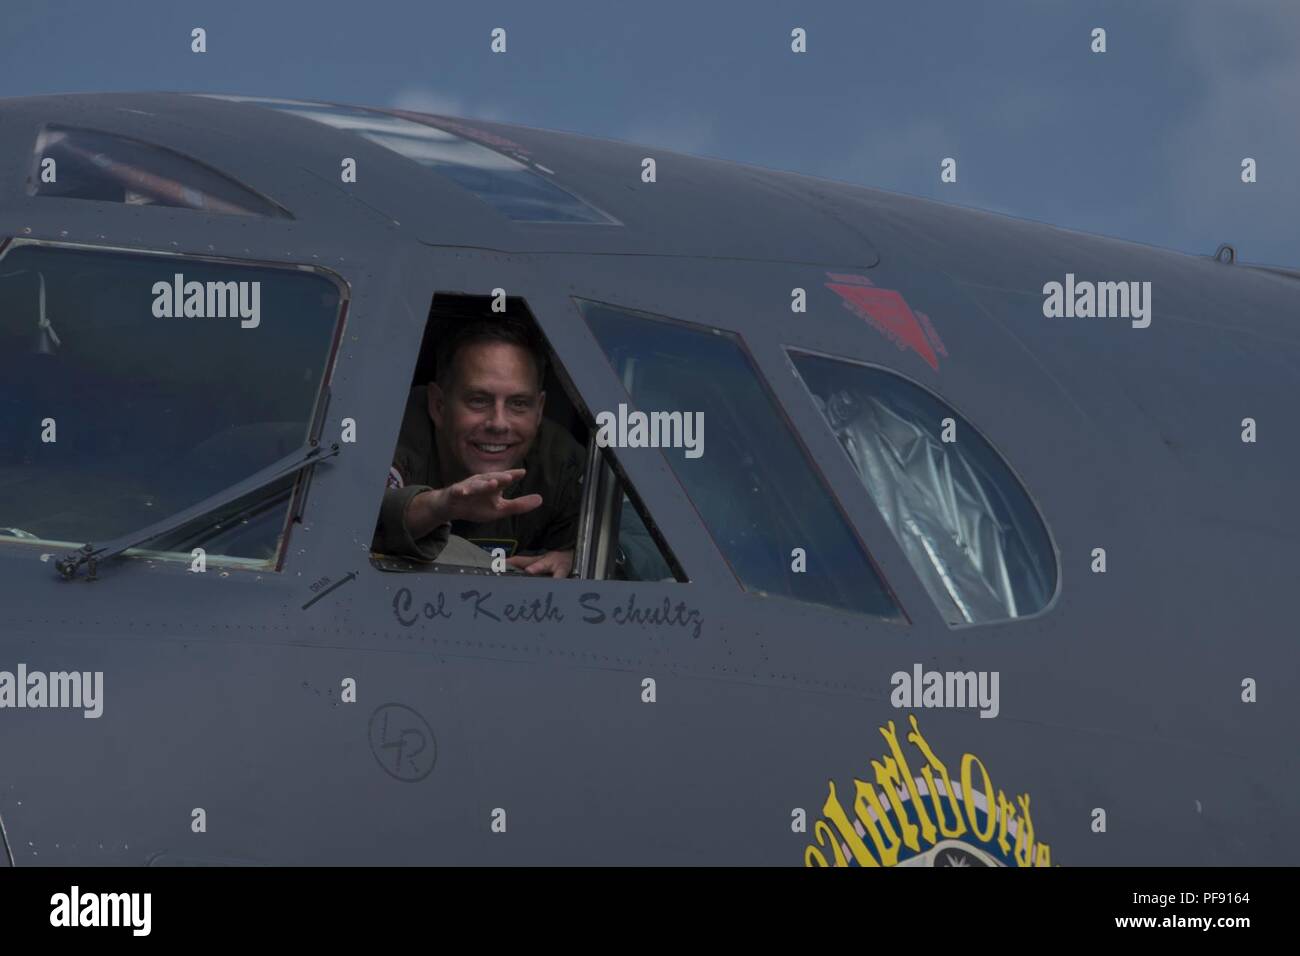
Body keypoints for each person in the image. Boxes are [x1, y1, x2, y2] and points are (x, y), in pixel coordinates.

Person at [373, 317, 584, 578]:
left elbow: (634, 538)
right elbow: (353, 519)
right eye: (478, 400)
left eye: (518, 403)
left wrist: (574, 558)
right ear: (438, 405)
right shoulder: (385, 435)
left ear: (539, 410)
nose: (498, 423)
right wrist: (440, 505)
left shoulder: (561, 461)